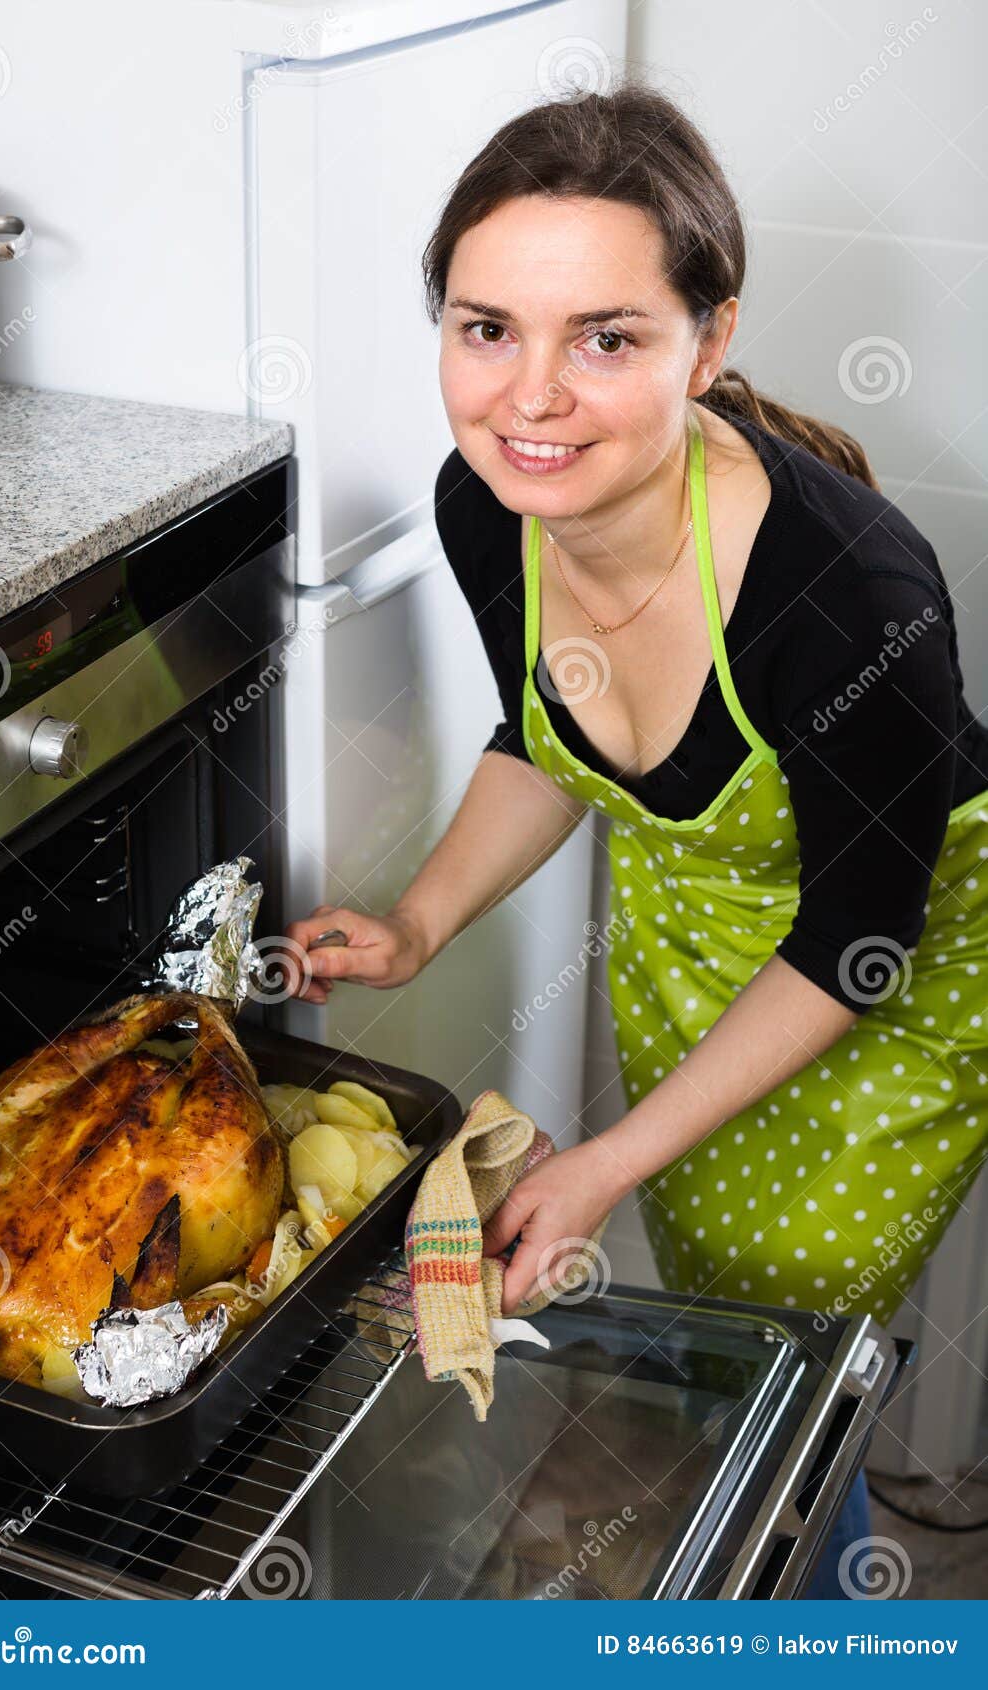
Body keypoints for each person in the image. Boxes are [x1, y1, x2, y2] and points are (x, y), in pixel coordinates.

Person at [285, 86, 988, 1595]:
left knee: (788, 1354)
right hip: (697, 923)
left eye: (603, 337)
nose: (527, 397)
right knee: (719, 1309)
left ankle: (809, 1604)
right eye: (485, 329)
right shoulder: (489, 508)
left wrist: (595, 1161)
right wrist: (418, 923)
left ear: (706, 342)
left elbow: (856, 940)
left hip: (886, 972)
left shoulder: (844, 588)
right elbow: (550, 741)